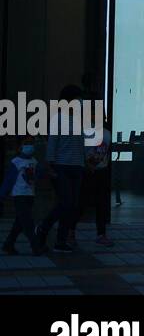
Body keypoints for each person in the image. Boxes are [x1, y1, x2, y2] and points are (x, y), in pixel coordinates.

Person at [35, 85, 88, 254]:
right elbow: (53, 142)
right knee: (65, 203)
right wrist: (49, 164)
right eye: (77, 99)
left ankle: (60, 241)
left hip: (77, 166)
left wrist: (87, 161)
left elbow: (83, 143)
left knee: (72, 205)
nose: (80, 102)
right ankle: (44, 227)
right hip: (61, 166)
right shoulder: (58, 118)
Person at [2, 136, 45, 254]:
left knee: (20, 222)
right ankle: (35, 246)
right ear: (20, 147)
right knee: (27, 222)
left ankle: (8, 244)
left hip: (30, 195)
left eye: (31, 143)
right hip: (19, 195)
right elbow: (9, 180)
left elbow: (40, 172)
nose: (30, 146)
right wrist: (2, 195)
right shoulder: (16, 162)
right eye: (26, 143)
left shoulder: (34, 161)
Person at [77, 121, 115, 248]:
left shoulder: (107, 133)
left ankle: (101, 233)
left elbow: (106, 152)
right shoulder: (85, 132)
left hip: (100, 171)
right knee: (81, 203)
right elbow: (80, 151)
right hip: (88, 171)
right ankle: (71, 232)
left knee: (101, 203)